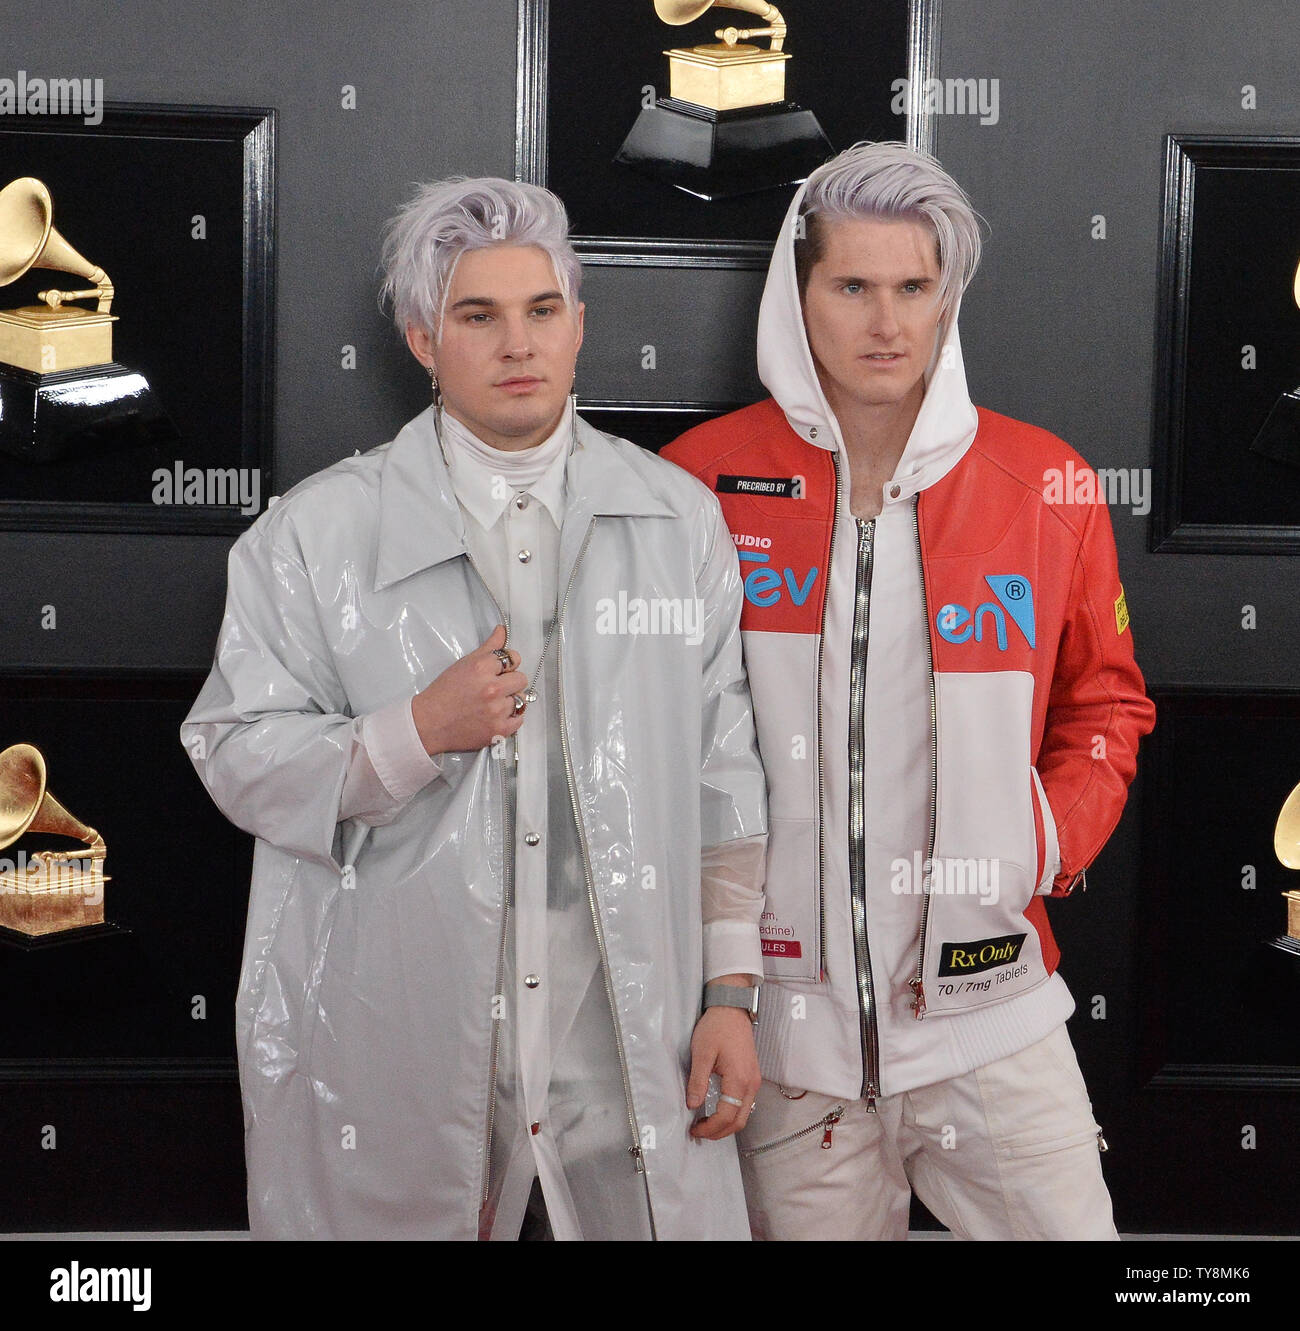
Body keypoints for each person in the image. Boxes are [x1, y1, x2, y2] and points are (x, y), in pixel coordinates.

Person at [180, 177, 768, 1241]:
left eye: (542, 310)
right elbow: (233, 752)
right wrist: (415, 731)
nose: (518, 344)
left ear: (580, 323)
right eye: (476, 315)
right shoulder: (312, 536)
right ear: (419, 336)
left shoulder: (679, 522)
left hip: (623, 1032)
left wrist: (732, 991)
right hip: (405, 1031)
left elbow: (725, 771)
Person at [661, 141, 1156, 1240]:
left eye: (912, 288)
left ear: (947, 299)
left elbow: (1107, 707)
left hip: (995, 1021)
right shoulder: (697, 481)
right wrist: (727, 979)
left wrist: (1033, 846)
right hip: (783, 1044)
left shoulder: (1048, 483)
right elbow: (667, 740)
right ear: (798, 295)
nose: (884, 321)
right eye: (851, 286)